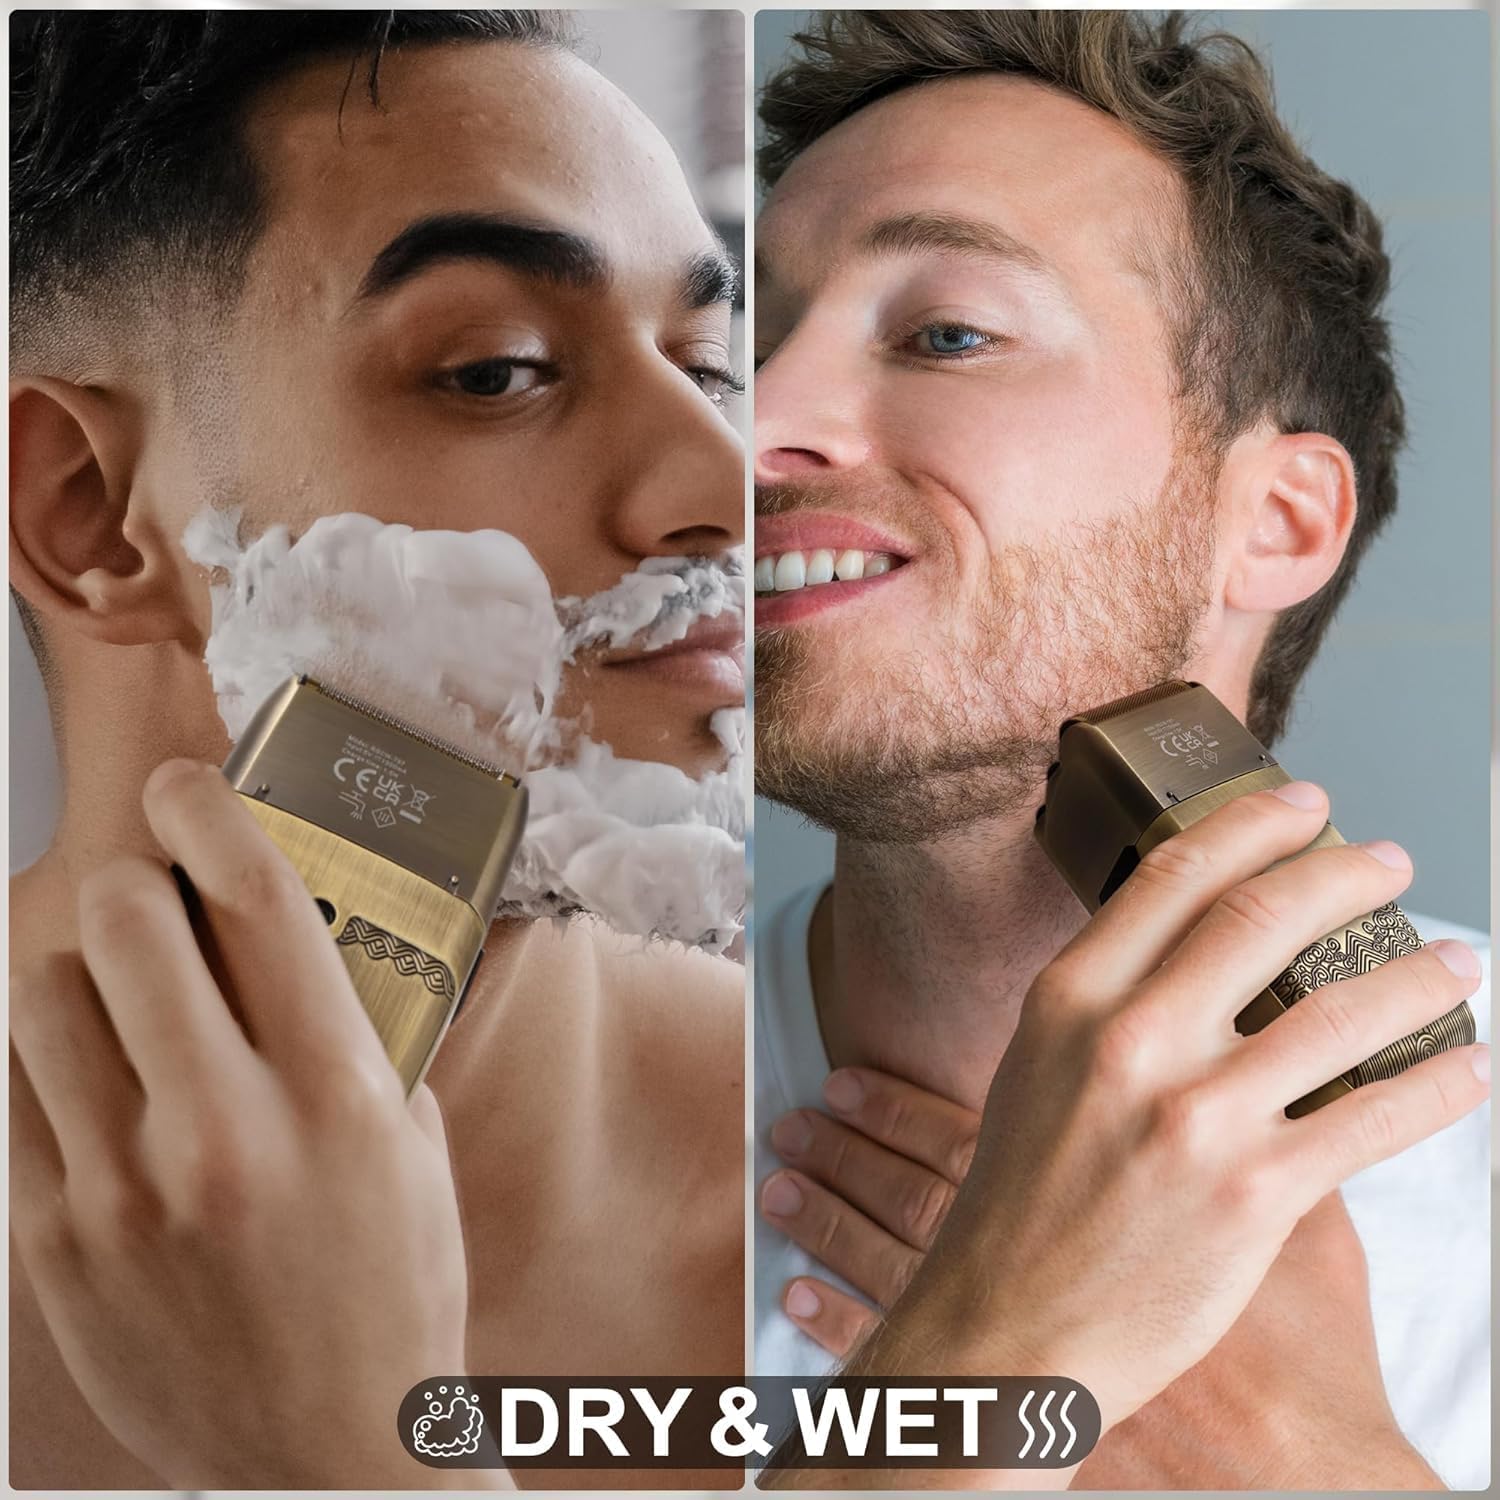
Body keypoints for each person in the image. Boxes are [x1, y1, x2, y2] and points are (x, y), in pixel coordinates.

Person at [752, 11, 1489, 1490]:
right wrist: (977, 1378)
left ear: (1274, 523)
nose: (748, 422)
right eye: (739, 349)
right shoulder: (469, 1157)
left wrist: (1311, 1466)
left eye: (948, 332)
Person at [9, 11, 744, 1488]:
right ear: (91, 512)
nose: (724, 480)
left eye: (709, 363)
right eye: (498, 370)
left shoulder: (893, 1217)